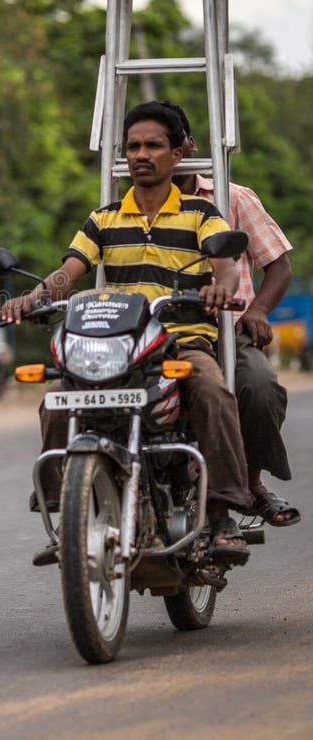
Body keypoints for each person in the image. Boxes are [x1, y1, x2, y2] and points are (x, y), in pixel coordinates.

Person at [0, 101, 253, 565]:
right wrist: (32, 298)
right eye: (133, 146)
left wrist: (221, 289)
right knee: (57, 396)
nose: (141, 154)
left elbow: (226, 267)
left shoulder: (201, 214)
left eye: (154, 145)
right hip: (118, 347)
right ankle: (66, 517)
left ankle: (222, 513)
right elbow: (67, 274)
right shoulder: (104, 219)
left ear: (176, 154)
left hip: (181, 342)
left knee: (214, 392)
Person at [164, 100, 300, 527]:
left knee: (257, 386)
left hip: (226, 326)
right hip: (157, 328)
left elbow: (277, 264)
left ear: (187, 146)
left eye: (166, 140)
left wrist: (257, 309)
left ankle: (250, 483)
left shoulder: (232, 198)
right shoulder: (131, 205)